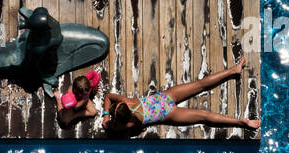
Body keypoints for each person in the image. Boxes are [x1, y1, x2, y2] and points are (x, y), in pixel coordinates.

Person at [102, 57, 258, 134]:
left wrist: (106, 121)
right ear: (123, 106)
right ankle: (233, 70)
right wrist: (107, 113)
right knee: (200, 84)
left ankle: (241, 122)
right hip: (164, 98)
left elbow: (111, 128)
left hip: (166, 113)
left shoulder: (130, 124)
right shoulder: (128, 102)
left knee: (204, 115)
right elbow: (109, 96)